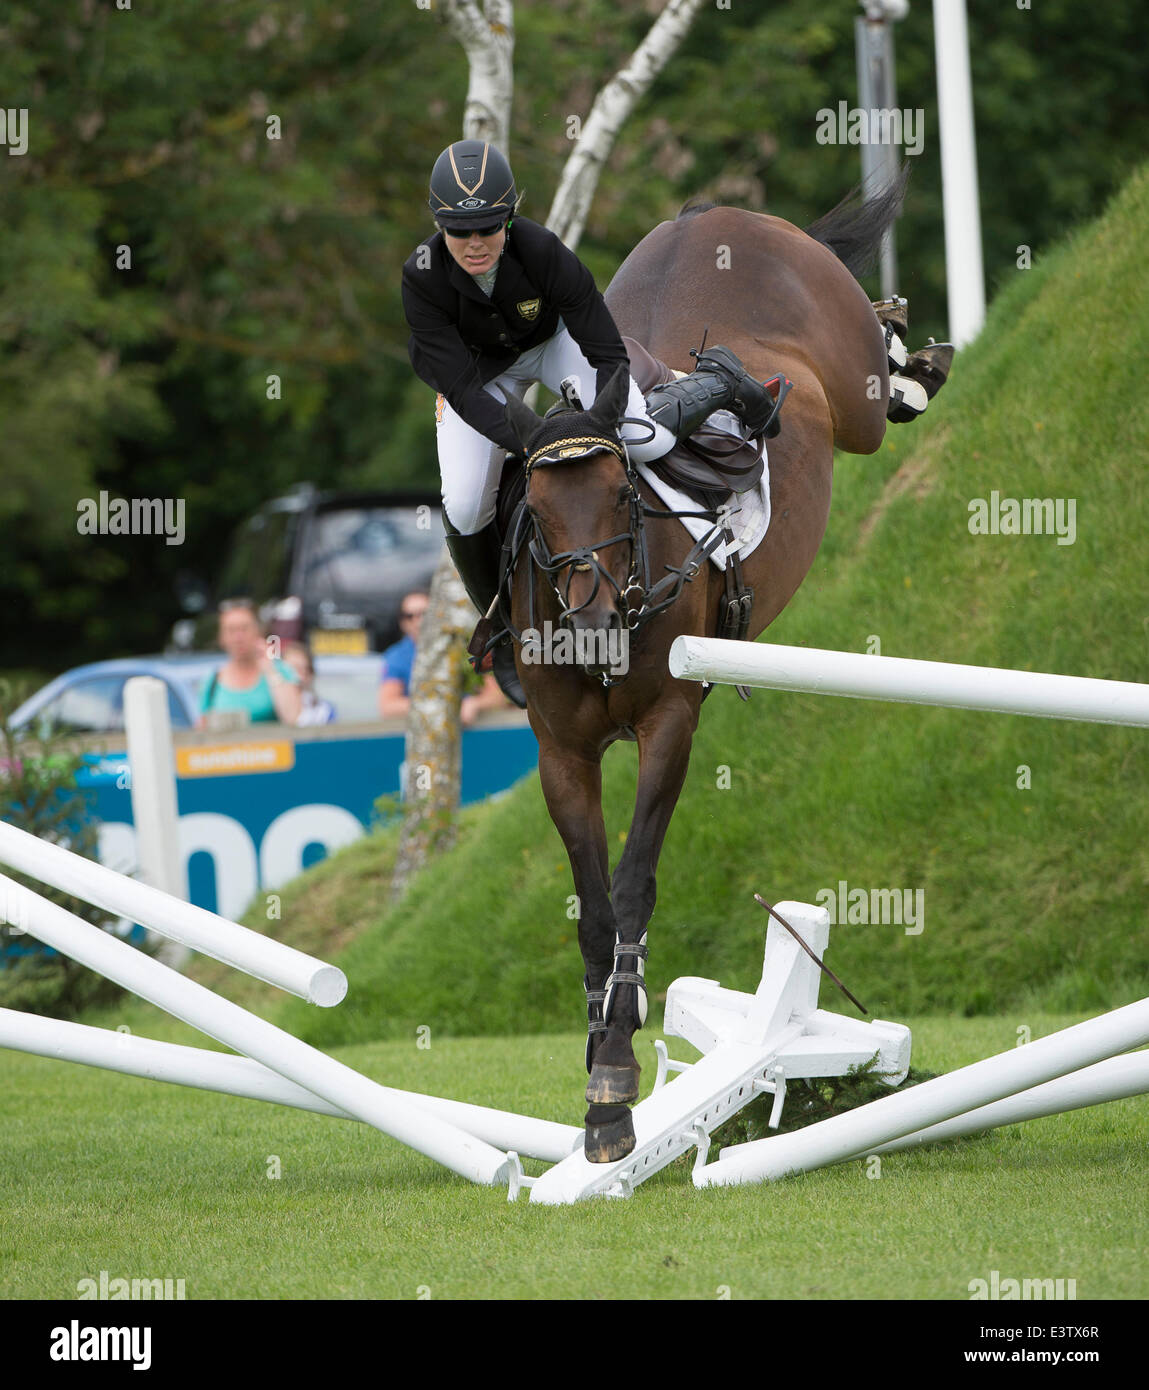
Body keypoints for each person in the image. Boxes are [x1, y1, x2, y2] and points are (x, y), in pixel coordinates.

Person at [401, 139, 780, 702]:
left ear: (509, 217)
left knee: (642, 439)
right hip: (479, 380)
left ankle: (716, 382)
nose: (475, 243)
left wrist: (598, 424)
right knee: (461, 502)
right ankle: (505, 624)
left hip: (554, 346)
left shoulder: (543, 250)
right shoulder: (422, 277)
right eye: (461, 230)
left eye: (488, 227)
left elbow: (607, 352)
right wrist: (537, 442)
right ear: (440, 226)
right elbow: (461, 390)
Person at [378, 589, 507, 725]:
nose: (418, 621)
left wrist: (475, 704)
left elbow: (497, 697)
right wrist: (440, 706)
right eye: (410, 616)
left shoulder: (465, 648)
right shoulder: (396, 656)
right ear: (402, 623)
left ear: (437, 615)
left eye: (425, 613)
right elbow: (388, 707)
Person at [197, 599, 302, 728]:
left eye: (244, 628)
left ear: (258, 632)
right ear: (221, 638)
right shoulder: (212, 680)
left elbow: (292, 718)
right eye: (231, 630)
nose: (238, 637)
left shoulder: (281, 671)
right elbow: (201, 730)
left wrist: (269, 669)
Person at [282, 641, 336, 726]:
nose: (299, 676)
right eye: (292, 669)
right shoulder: (267, 707)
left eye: (305, 670)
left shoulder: (323, 710)